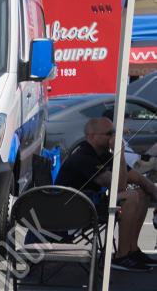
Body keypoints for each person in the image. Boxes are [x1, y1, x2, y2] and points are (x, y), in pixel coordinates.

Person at [57, 116, 157, 271]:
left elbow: (139, 179)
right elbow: (119, 186)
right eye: (109, 133)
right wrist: (121, 154)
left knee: (142, 193)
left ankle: (132, 250)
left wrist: (153, 192)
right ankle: (121, 256)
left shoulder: (103, 155)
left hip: (88, 204)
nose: (114, 137)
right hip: (72, 211)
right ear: (92, 137)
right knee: (130, 196)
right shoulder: (83, 156)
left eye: (114, 133)